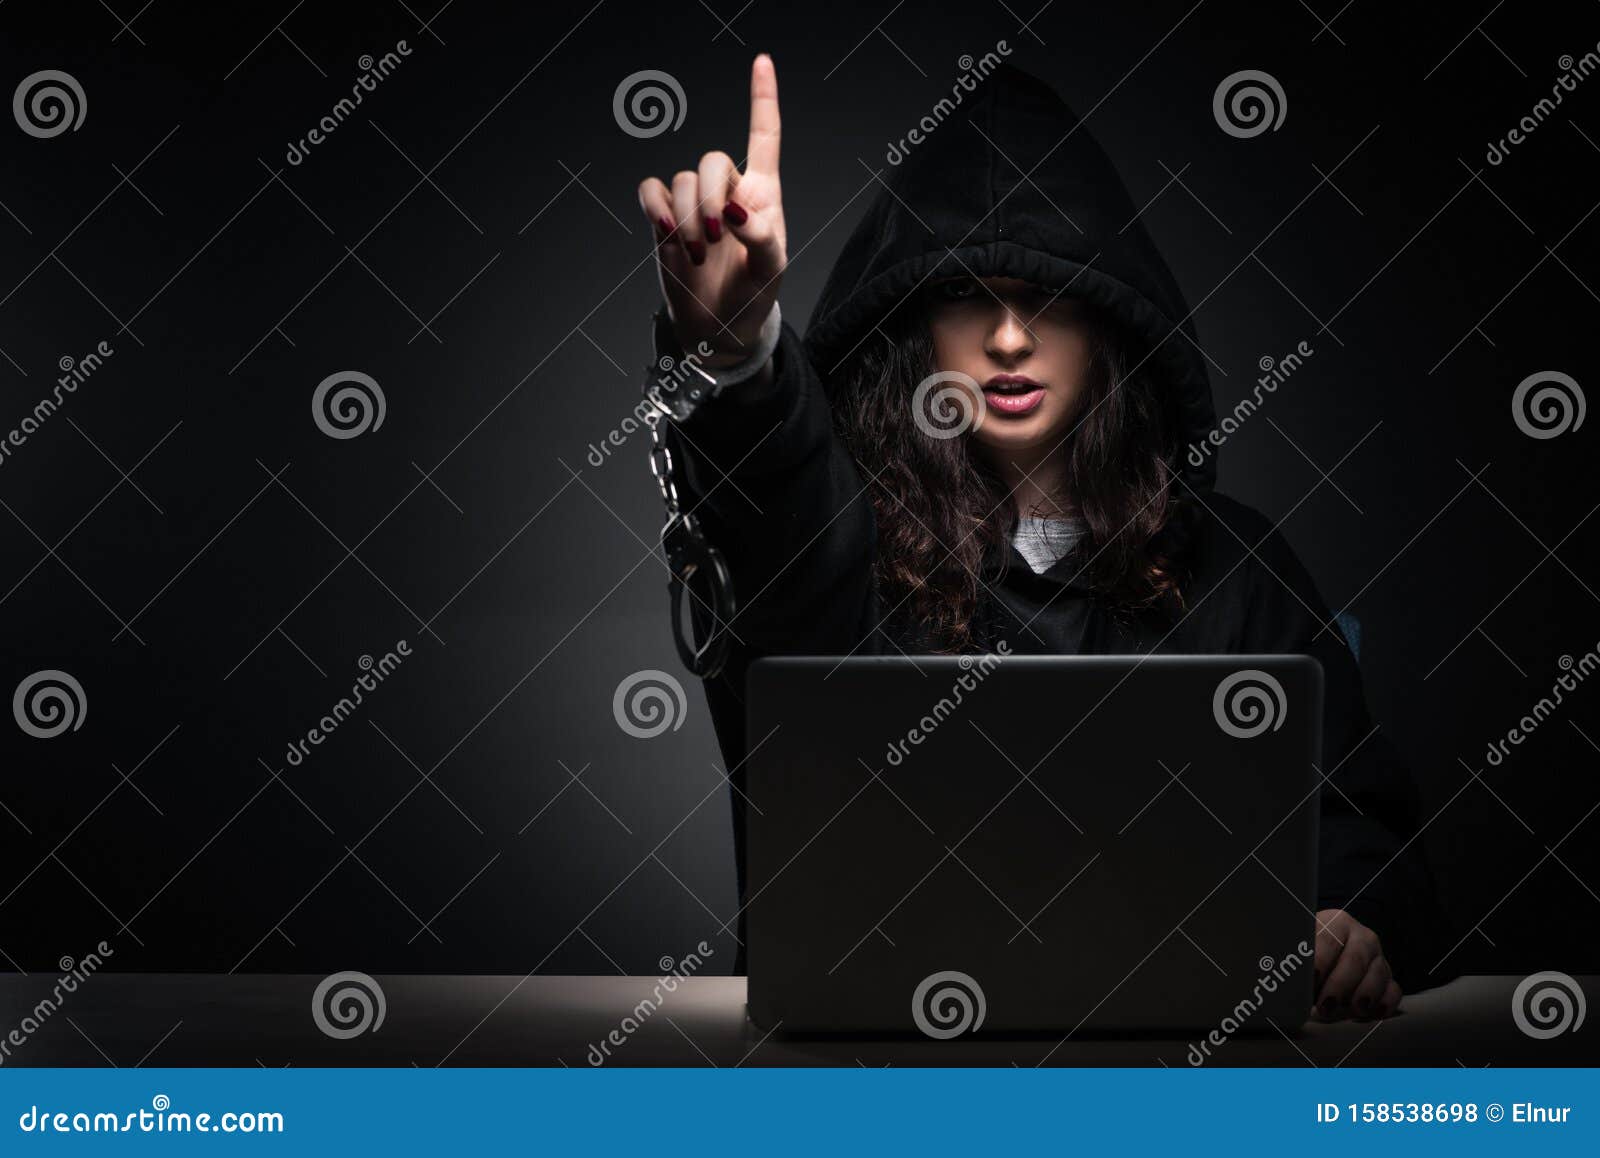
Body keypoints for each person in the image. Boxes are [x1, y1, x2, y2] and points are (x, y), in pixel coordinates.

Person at [636, 54, 1445, 1022]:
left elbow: (1361, 831)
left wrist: (1352, 920)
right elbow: (774, 504)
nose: (1010, 337)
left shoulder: (1237, 570)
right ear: (916, 324)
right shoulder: (839, 557)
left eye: (1048, 295)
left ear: (1108, 318)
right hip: (871, 1082)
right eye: (969, 293)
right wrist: (737, 349)